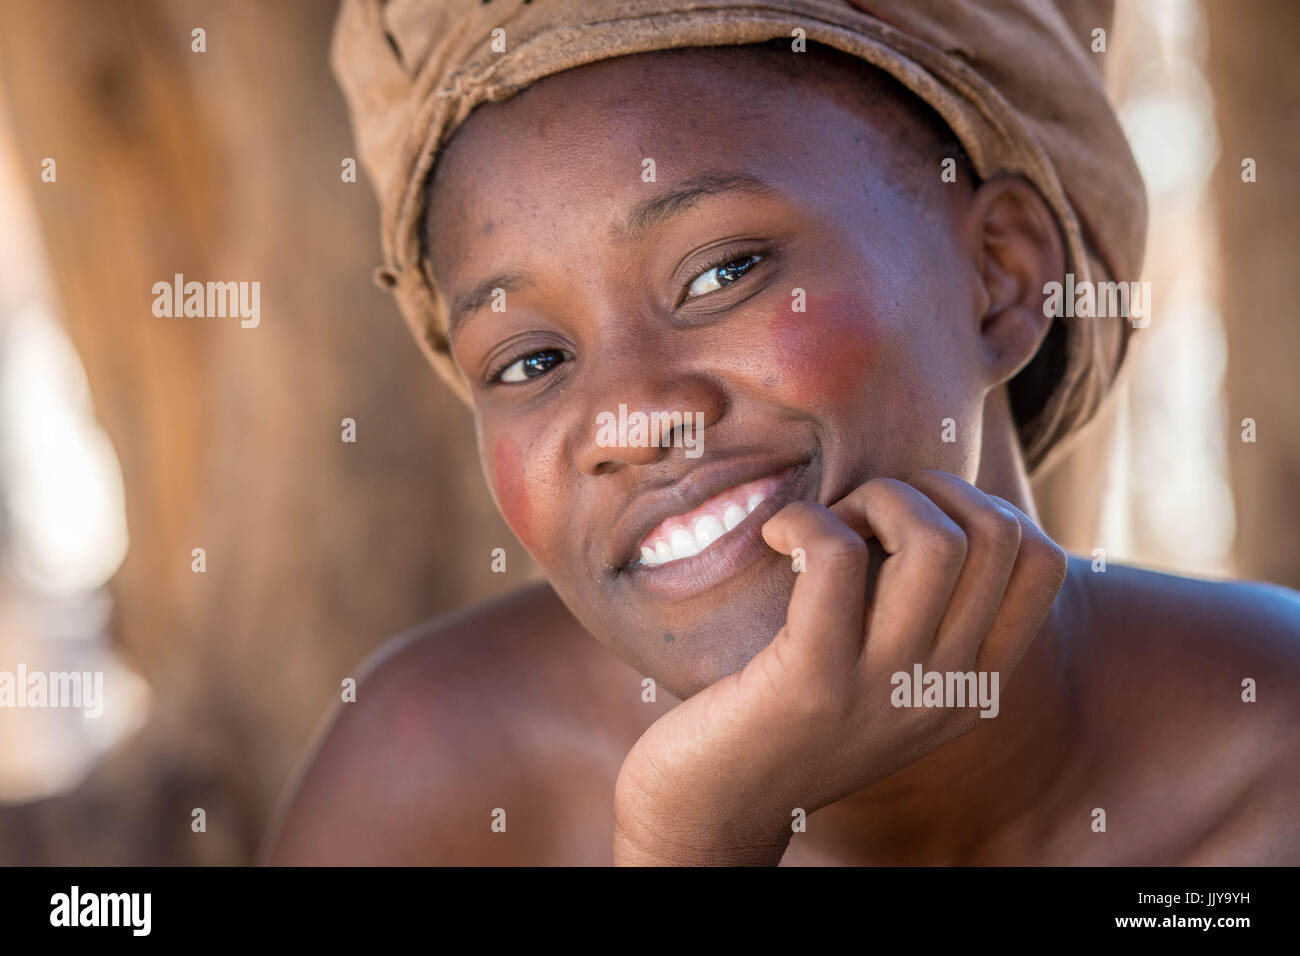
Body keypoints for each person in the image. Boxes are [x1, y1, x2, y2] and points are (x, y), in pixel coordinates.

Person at [262, 0, 1300, 865]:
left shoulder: (1269, 774)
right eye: (530, 360)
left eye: (722, 272)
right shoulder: (430, 777)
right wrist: (693, 841)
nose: (632, 417)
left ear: (1002, 273)